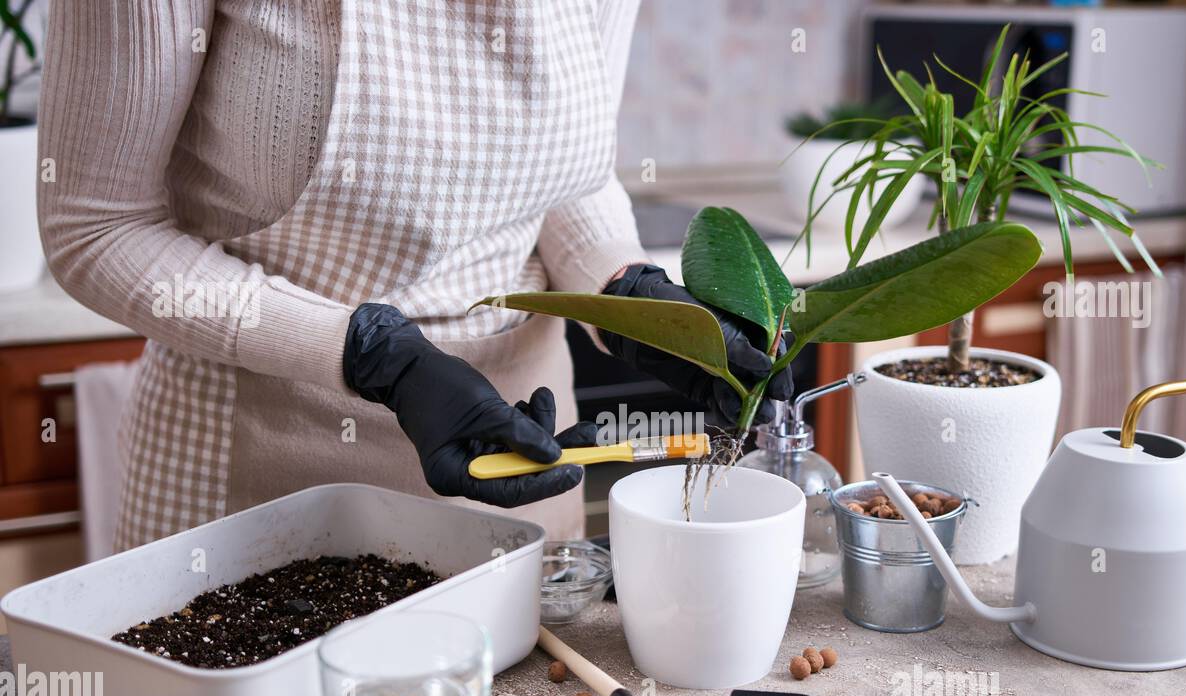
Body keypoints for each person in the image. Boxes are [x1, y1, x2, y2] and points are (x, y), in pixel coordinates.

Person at [38, 1, 790, 549]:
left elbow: (564, 172)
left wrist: (628, 294)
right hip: (250, 498)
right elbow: (97, 227)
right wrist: (371, 352)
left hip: (515, 480)